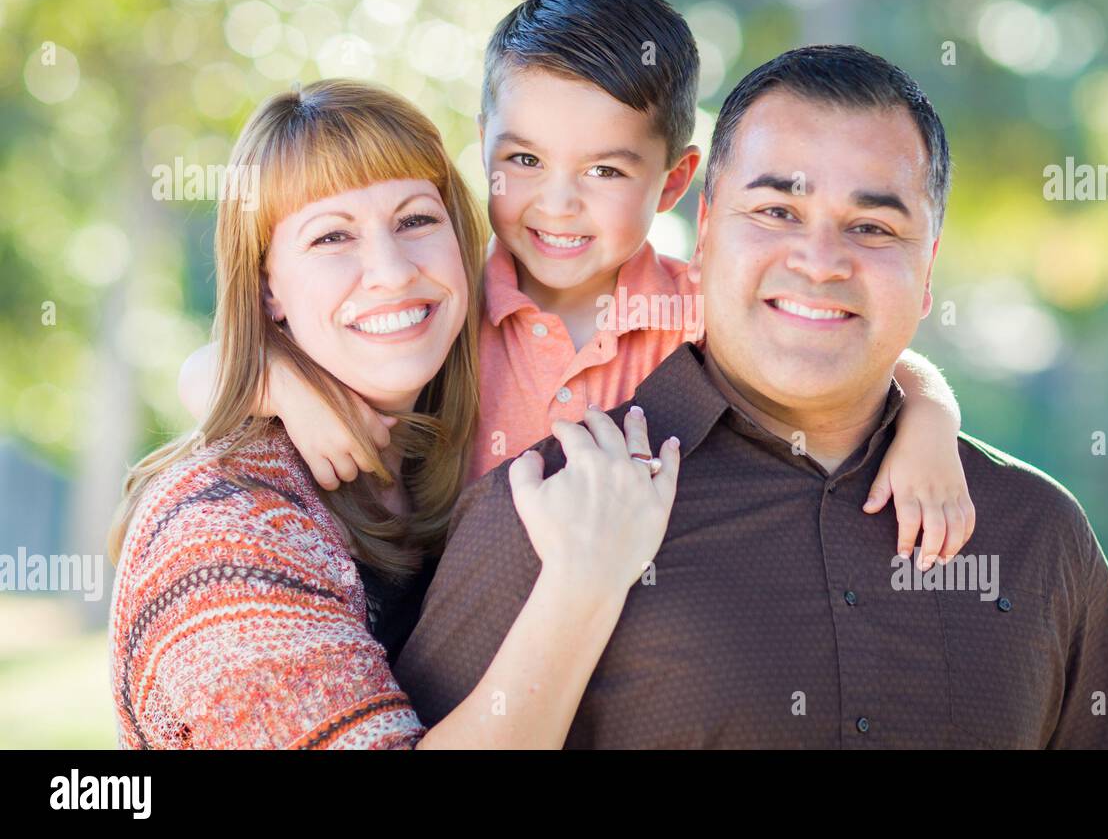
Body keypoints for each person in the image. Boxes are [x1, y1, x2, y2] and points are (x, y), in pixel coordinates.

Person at [393, 46, 1108, 749]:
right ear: (706, 232)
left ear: (928, 270)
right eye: (777, 212)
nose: (821, 261)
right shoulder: (546, 508)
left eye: (872, 225)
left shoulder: (1038, 534)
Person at [179, 0, 978, 572]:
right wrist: (283, 387)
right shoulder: (440, 315)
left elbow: (831, 332)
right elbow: (207, 370)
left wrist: (932, 422)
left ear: (672, 183)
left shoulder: (698, 310)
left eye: (603, 171)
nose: (556, 206)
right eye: (523, 161)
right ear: (483, 149)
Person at [108, 80, 680, 749]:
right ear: (268, 288)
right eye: (331, 237)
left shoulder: (448, 443)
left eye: (415, 221)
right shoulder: (226, 535)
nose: (391, 271)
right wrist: (586, 579)